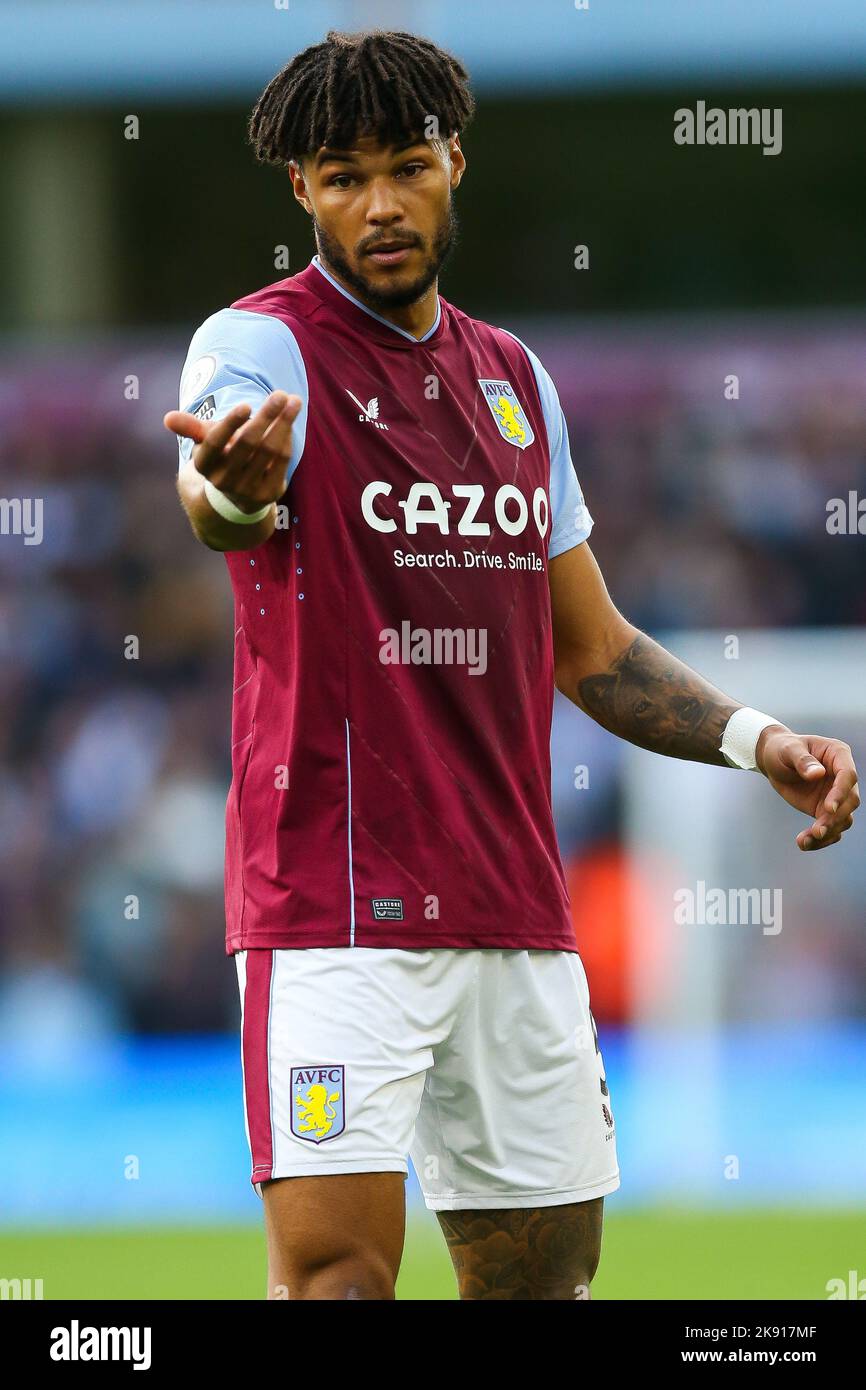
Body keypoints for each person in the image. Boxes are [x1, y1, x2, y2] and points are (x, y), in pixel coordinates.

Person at [164, 29, 859, 1301]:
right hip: (338, 912)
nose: (378, 203)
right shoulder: (262, 347)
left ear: (453, 164)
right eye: (339, 175)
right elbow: (211, 491)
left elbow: (589, 647)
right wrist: (229, 488)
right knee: (335, 1283)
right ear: (300, 193)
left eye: (406, 166)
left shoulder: (513, 383)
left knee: (546, 1283)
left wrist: (758, 738)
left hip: (512, 911)